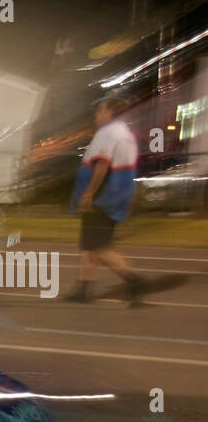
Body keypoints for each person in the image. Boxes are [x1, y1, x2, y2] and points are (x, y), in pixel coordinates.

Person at [69, 92, 145, 306]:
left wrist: (89, 193)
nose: (97, 115)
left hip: (103, 196)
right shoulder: (125, 133)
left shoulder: (108, 133)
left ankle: (134, 281)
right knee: (90, 244)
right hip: (117, 193)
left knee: (100, 246)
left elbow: (102, 165)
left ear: (109, 112)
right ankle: (83, 289)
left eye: (100, 110)